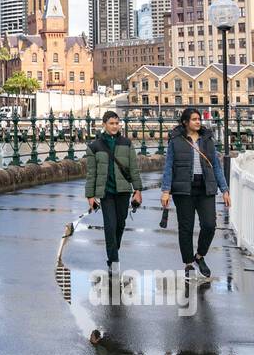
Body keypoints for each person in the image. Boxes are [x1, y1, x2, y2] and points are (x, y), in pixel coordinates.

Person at [159, 107, 230, 280]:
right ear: (185, 122)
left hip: (205, 188)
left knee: (209, 225)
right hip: (183, 190)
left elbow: (216, 165)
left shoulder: (207, 140)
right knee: (186, 227)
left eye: (199, 119)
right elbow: (169, 166)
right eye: (194, 119)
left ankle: (200, 256)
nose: (198, 122)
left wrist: (225, 189)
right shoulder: (176, 141)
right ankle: (188, 263)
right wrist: (166, 191)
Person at [85, 110, 143, 273]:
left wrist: (137, 189)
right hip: (106, 192)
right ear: (104, 124)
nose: (115, 126)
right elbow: (91, 173)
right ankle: (114, 260)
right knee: (110, 226)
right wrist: (90, 196)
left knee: (120, 224)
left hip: (123, 190)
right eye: (111, 123)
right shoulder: (94, 146)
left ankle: (113, 252)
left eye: (117, 123)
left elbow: (133, 168)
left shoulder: (126, 143)